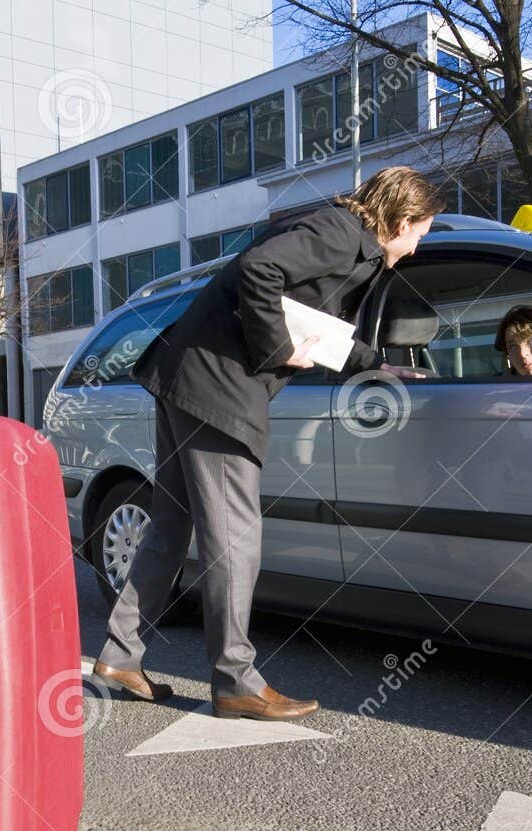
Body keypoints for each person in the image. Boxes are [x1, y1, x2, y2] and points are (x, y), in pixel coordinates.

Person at [92, 166, 446, 720]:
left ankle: (119, 656)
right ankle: (235, 681)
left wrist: (377, 365)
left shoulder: (342, 237)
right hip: (217, 387)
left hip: (189, 376)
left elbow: (318, 329)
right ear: (401, 220)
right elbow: (258, 271)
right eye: (421, 233)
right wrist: (279, 348)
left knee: (171, 523)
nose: (418, 246)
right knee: (235, 539)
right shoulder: (338, 233)